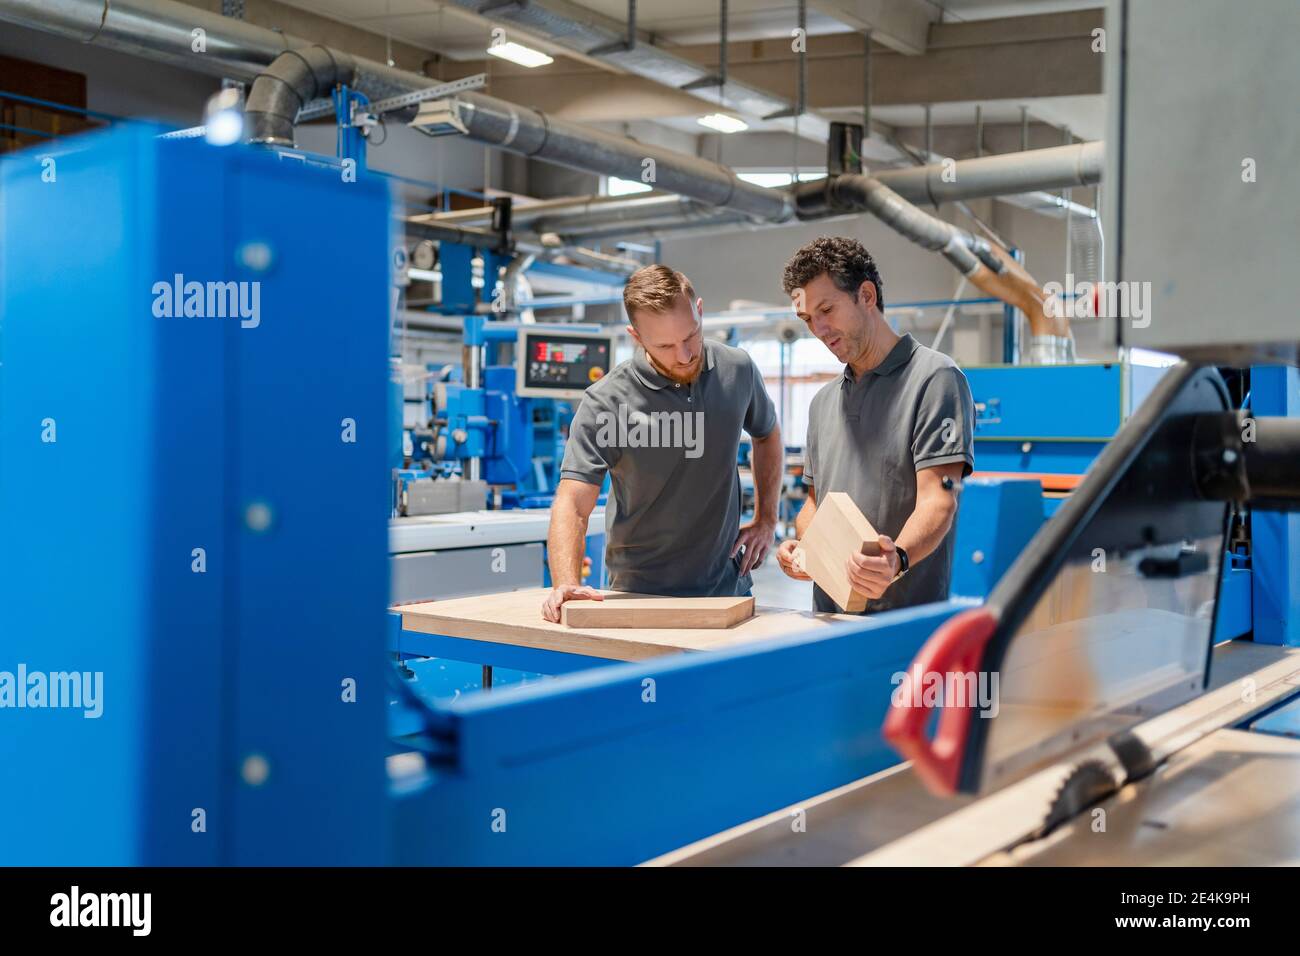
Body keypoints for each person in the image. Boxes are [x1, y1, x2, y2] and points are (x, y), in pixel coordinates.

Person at [542, 265, 783, 622]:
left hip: (727, 592)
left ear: (699, 311)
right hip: (638, 595)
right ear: (636, 336)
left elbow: (767, 432)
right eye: (666, 346)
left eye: (691, 336)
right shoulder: (605, 402)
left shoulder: (738, 370)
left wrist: (767, 518)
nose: (684, 355)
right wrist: (565, 582)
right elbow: (573, 503)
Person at [776, 236, 974, 613]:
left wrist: (895, 560)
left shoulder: (935, 379)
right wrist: (805, 548)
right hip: (829, 618)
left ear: (866, 295)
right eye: (807, 319)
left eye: (827, 309)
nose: (818, 328)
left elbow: (939, 499)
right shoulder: (822, 404)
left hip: (904, 619)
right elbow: (814, 505)